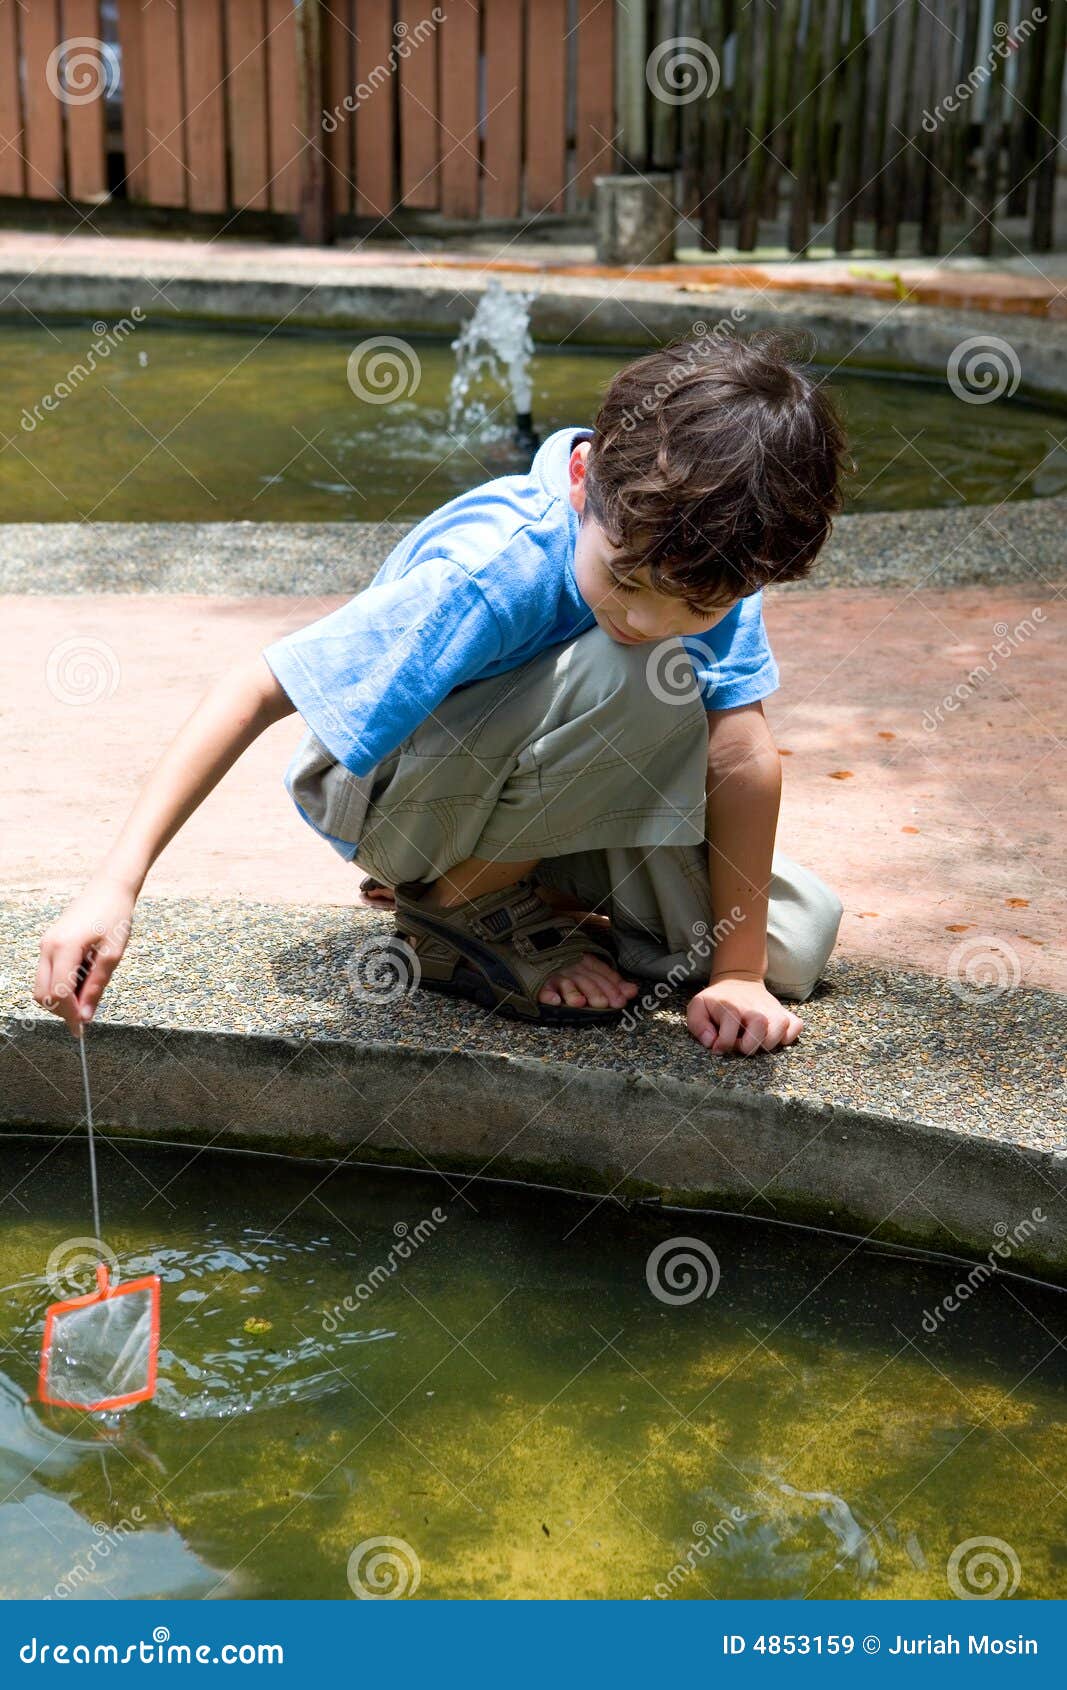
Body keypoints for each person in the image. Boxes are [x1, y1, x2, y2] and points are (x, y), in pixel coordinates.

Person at [36, 331, 846, 1057]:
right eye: (625, 581)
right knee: (637, 673)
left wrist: (738, 975)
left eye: (696, 608)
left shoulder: (714, 548)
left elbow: (739, 752)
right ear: (580, 480)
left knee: (792, 940)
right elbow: (254, 687)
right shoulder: (495, 564)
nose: (646, 619)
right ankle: (455, 904)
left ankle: (521, 888)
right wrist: (116, 886)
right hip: (388, 794)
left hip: (547, 774)